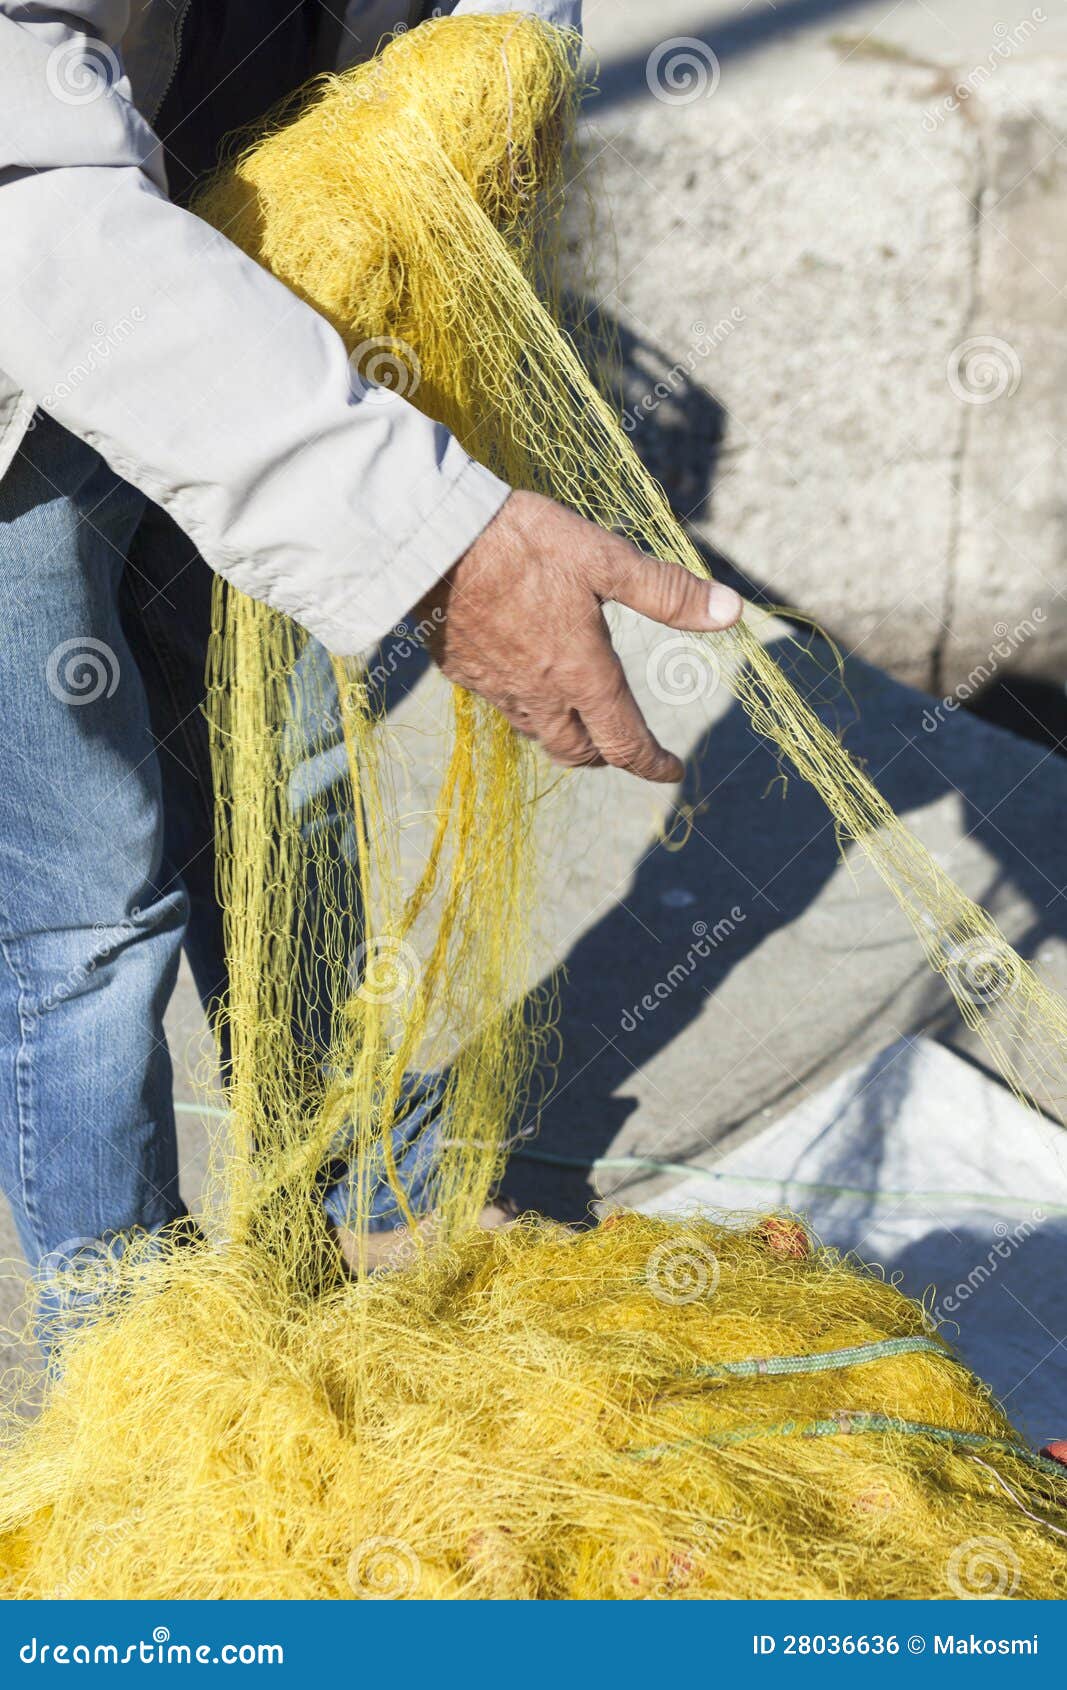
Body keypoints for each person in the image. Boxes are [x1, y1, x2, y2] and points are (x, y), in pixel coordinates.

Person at [0, 2, 743, 1299]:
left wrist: (506, 52)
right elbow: (36, 192)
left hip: (290, 276)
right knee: (87, 901)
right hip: (38, 315)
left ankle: (352, 1179)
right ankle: (121, 1331)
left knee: (290, 777)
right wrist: (428, 540)